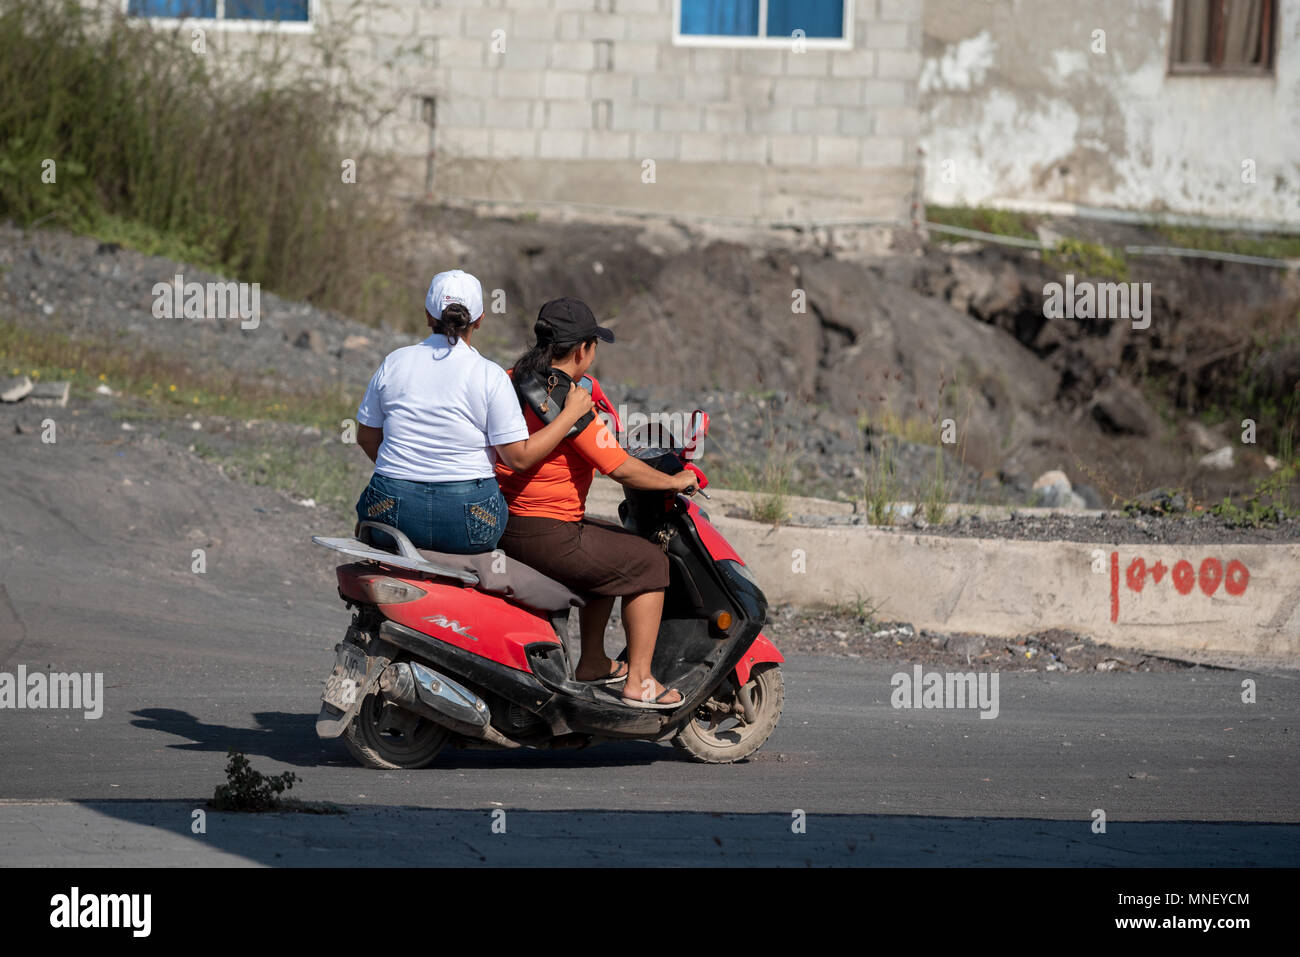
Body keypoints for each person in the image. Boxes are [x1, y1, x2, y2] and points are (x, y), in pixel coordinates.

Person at [495, 297, 697, 709]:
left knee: (610, 540)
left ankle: (592, 662)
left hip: (506, 520)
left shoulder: (511, 378)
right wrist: (675, 480)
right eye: (594, 347)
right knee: (648, 561)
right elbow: (618, 466)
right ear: (583, 350)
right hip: (546, 532)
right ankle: (640, 681)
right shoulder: (572, 401)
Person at [353, 270, 592, 554]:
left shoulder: (394, 363)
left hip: (391, 510)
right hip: (466, 521)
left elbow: (366, 437)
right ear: (479, 320)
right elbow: (519, 458)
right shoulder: (490, 375)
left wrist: (404, 472)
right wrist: (569, 414)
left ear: (428, 316)